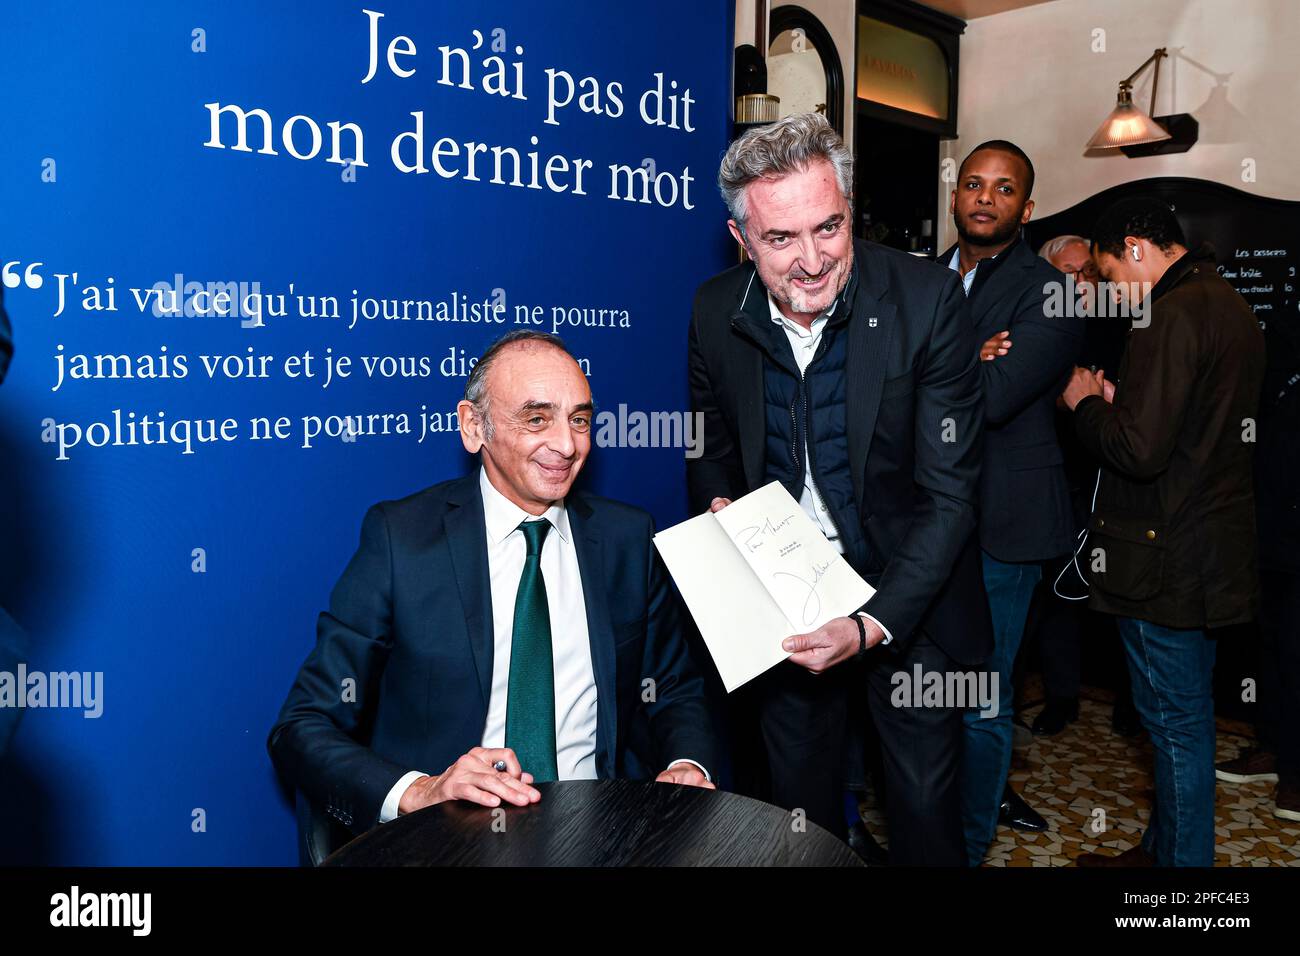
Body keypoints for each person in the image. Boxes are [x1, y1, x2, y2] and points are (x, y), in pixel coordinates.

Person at [688, 112, 990, 864]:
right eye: (781, 239)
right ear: (741, 239)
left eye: (829, 227)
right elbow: (708, 450)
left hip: (909, 606)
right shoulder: (712, 312)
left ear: (849, 211)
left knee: (924, 815)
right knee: (799, 824)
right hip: (785, 609)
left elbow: (950, 497)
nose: (814, 260)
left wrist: (871, 625)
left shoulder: (927, 301)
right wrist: (724, 513)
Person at [269, 330, 717, 834]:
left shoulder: (626, 538)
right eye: (536, 419)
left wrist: (688, 763)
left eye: (580, 420)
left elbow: (674, 688)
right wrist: (421, 790)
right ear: (473, 426)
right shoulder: (401, 541)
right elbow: (302, 726)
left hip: (601, 829)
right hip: (448, 838)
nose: (567, 445)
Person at [1063, 198, 1265, 866]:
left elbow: (1140, 452)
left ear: (1137, 247)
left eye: (1112, 274)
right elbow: (1189, 430)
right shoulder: (1227, 304)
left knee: (1176, 729)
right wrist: (1131, 411)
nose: (1116, 293)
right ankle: (1162, 849)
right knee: (1183, 718)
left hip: (1163, 557)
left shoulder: (1167, 313)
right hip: (1207, 551)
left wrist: (1087, 404)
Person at [941, 141, 1083, 865]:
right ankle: (924, 833)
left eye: (1003, 189)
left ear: (1026, 209)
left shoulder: (1051, 289)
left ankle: (965, 848)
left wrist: (944, 364)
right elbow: (873, 383)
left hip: (1004, 526)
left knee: (982, 699)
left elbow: (993, 401)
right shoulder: (914, 278)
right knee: (914, 692)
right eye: (973, 183)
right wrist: (972, 351)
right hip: (922, 524)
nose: (984, 197)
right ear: (955, 195)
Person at [1030, 235, 1140, 740]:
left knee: (1120, 591)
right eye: (1069, 272)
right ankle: (1061, 697)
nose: (1081, 281)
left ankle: (1131, 704)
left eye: (1089, 272)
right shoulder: (1037, 325)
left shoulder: (1127, 324)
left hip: (1116, 477)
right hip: (1055, 479)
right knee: (1058, 593)